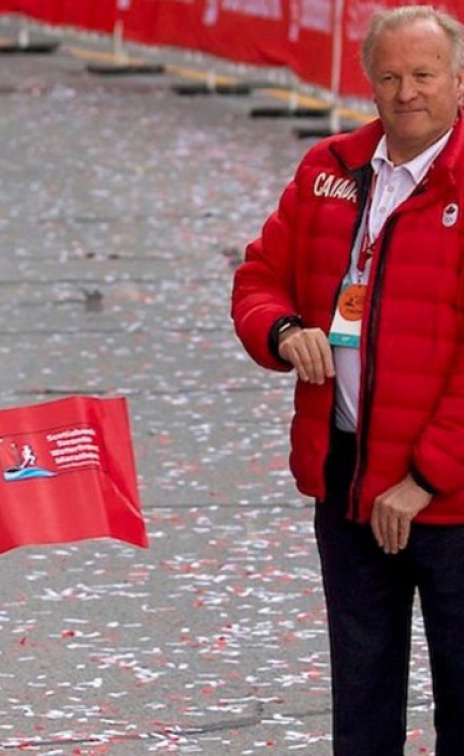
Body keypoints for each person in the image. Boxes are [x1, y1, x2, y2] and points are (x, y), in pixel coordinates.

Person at [231, 6, 464, 753]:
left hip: (449, 500)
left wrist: (426, 478)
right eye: (390, 76)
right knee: (361, 702)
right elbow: (258, 278)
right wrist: (283, 330)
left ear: (458, 81)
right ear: (367, 82)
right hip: (349, 478)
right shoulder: (328, 169)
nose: (406, 93)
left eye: (424, 76)